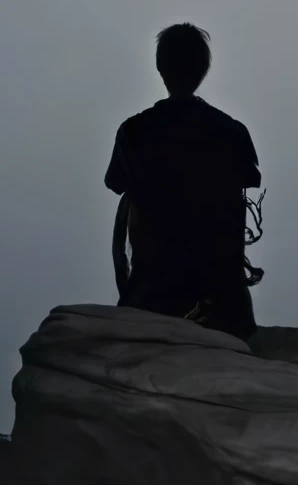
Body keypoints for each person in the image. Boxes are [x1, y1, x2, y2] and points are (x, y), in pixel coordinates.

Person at [105, 23, 263, 341]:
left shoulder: (134, 132)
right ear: (203, 70)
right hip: (222, 302)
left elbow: (115, 182)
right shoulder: (232, 132)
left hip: (150, 294)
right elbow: (248, 178)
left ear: (161, 69)